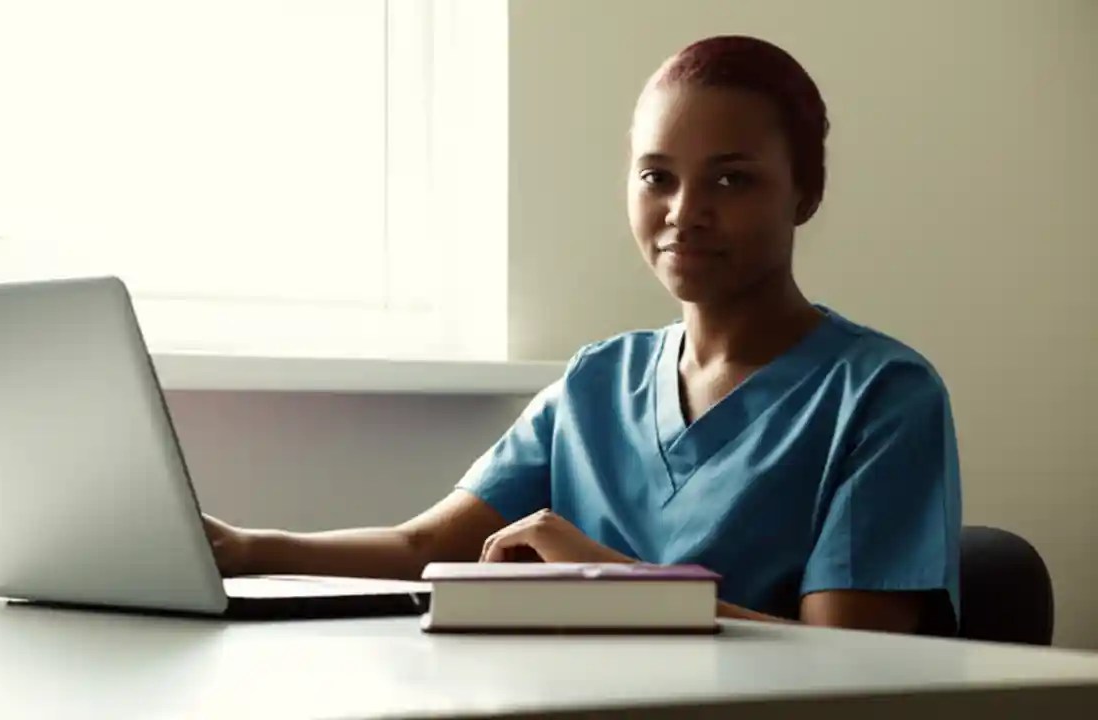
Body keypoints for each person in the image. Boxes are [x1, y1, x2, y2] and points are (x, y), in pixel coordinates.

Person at [204, 35, 962, 634]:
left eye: (731, 179)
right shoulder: (599, 380)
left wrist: (607, 578)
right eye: (656, 176)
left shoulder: (882, 396)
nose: (684, 211)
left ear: (807, 191)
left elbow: (853, 655)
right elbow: (425, 549)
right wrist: (245, 548)